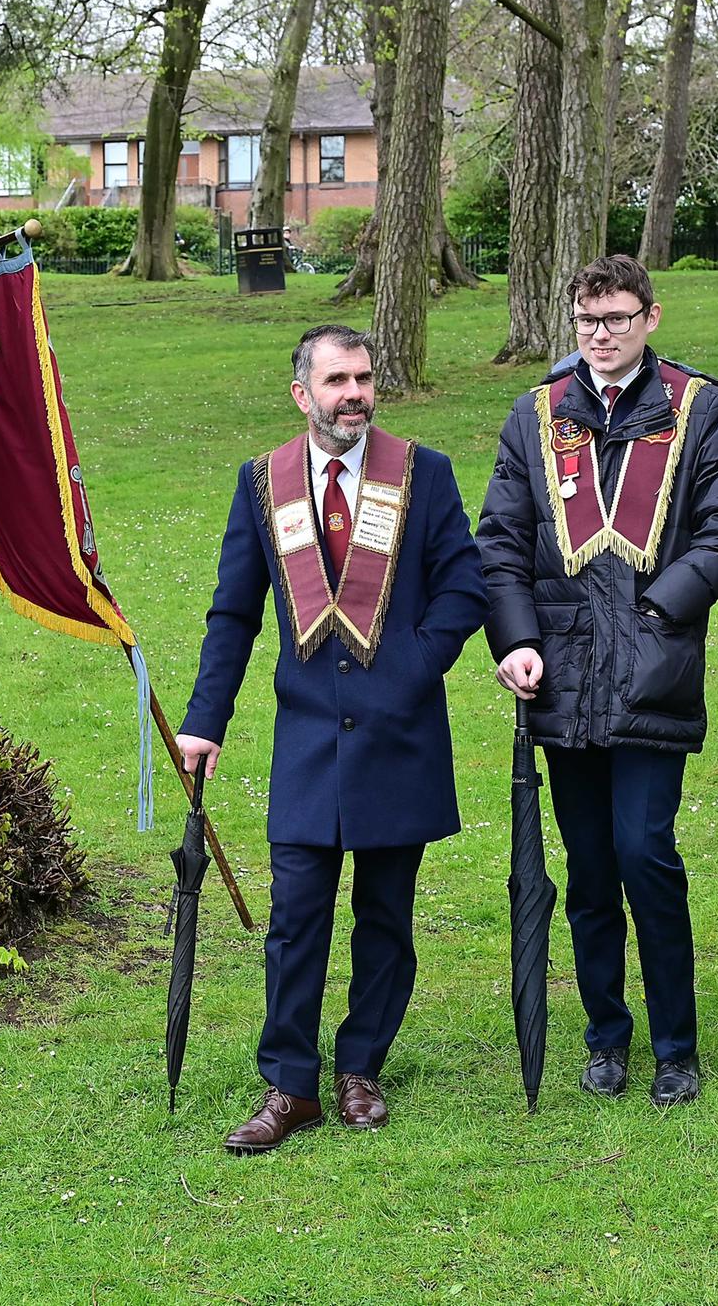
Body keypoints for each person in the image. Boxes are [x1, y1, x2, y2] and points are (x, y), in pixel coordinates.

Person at [177, 324, 487, 1155]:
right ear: (302, 394)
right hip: (308, 740)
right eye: (338, 380)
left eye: (364, 378)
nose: (355, 394)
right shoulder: (262, 483)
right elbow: (233, 612)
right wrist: (204, 720)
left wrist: (414, 665)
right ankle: (290, 1085)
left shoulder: (423, 473)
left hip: (400, 735)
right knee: (295, 920)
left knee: (385, 917)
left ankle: (361, 1069)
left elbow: (465, 585)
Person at [476, 254, 718, 1107]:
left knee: (646, 855)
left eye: (618, 319)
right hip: (560, 677)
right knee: (590, 871)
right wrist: (516, 640)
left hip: (651, 672)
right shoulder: (536, 415)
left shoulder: (699, 408)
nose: (601, 335)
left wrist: (660, 610)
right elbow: (499, 543)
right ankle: (606, 1036)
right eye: (588, 321)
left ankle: (676, 1046)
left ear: (650, 318)